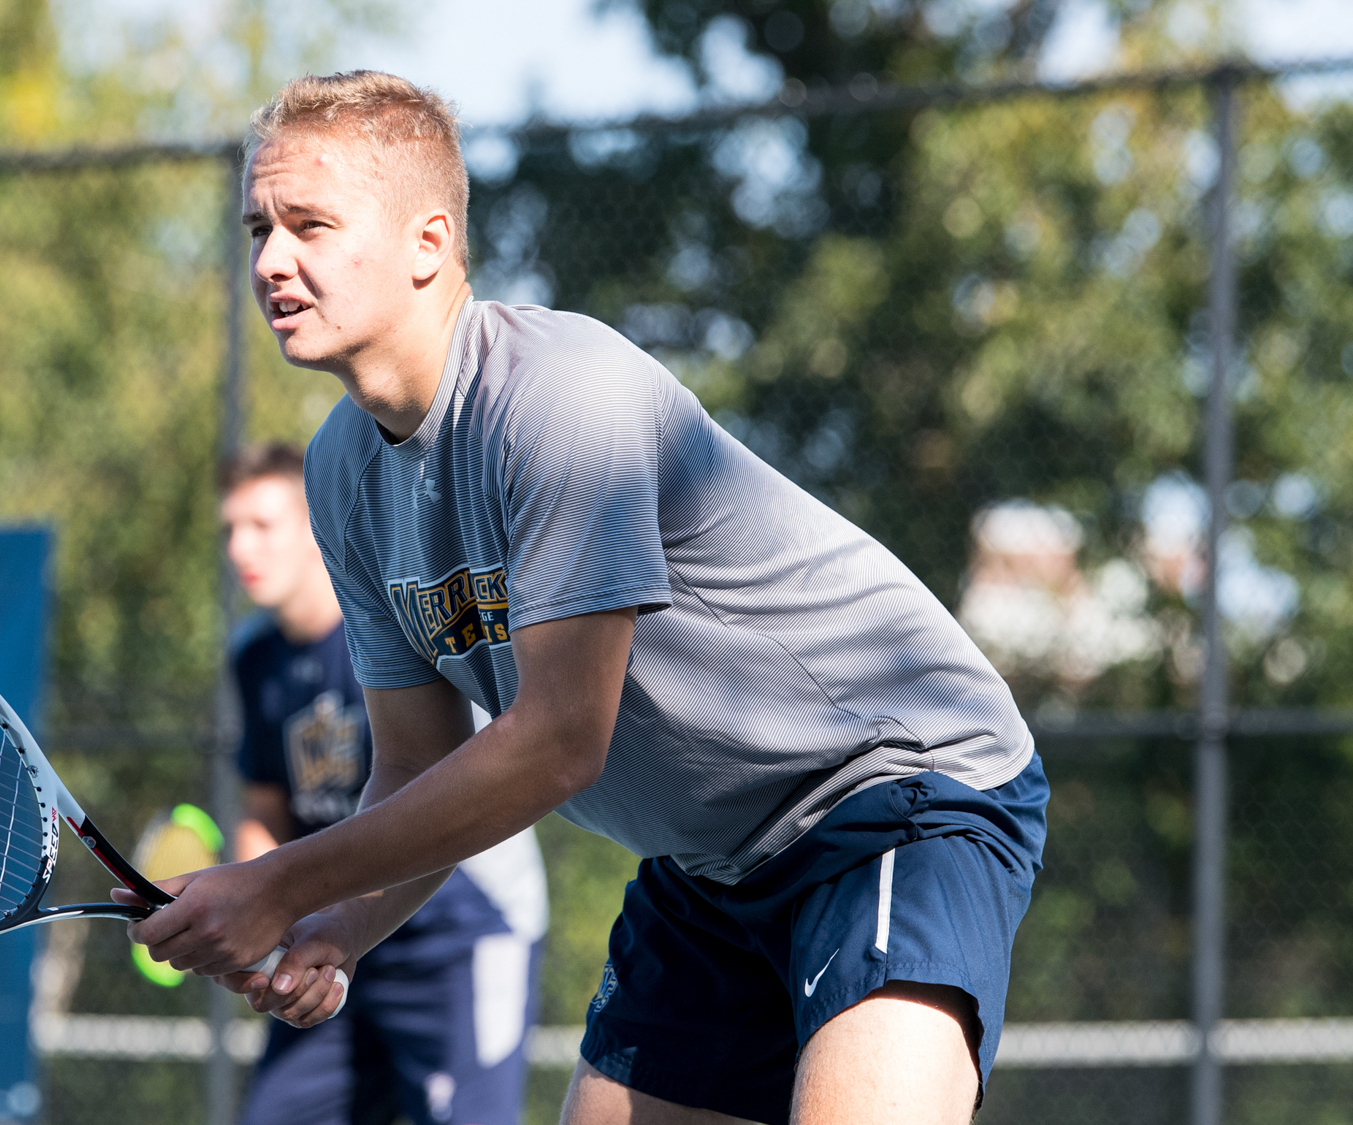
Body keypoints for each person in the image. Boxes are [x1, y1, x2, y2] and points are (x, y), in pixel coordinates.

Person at [125, 71, 1047, 1125]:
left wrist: (278, 885)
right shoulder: (340, 472)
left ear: (429, 244)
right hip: (711, 864)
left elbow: (560, 742)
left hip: (897, 796)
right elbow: (416, 768)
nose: (270, 259)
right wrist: (335, 926)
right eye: (257, 227)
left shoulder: (562, 396)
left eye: (310, 225)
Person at [218, 442, 547, 1125]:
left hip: (458, 928)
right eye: (229, 528)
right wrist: (249, 905)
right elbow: (265, 811)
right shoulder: (254, 657)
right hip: (330, 941)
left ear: (314, 528)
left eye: (262, 524)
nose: (240, 545)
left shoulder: (395, 628)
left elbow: (445, 786)